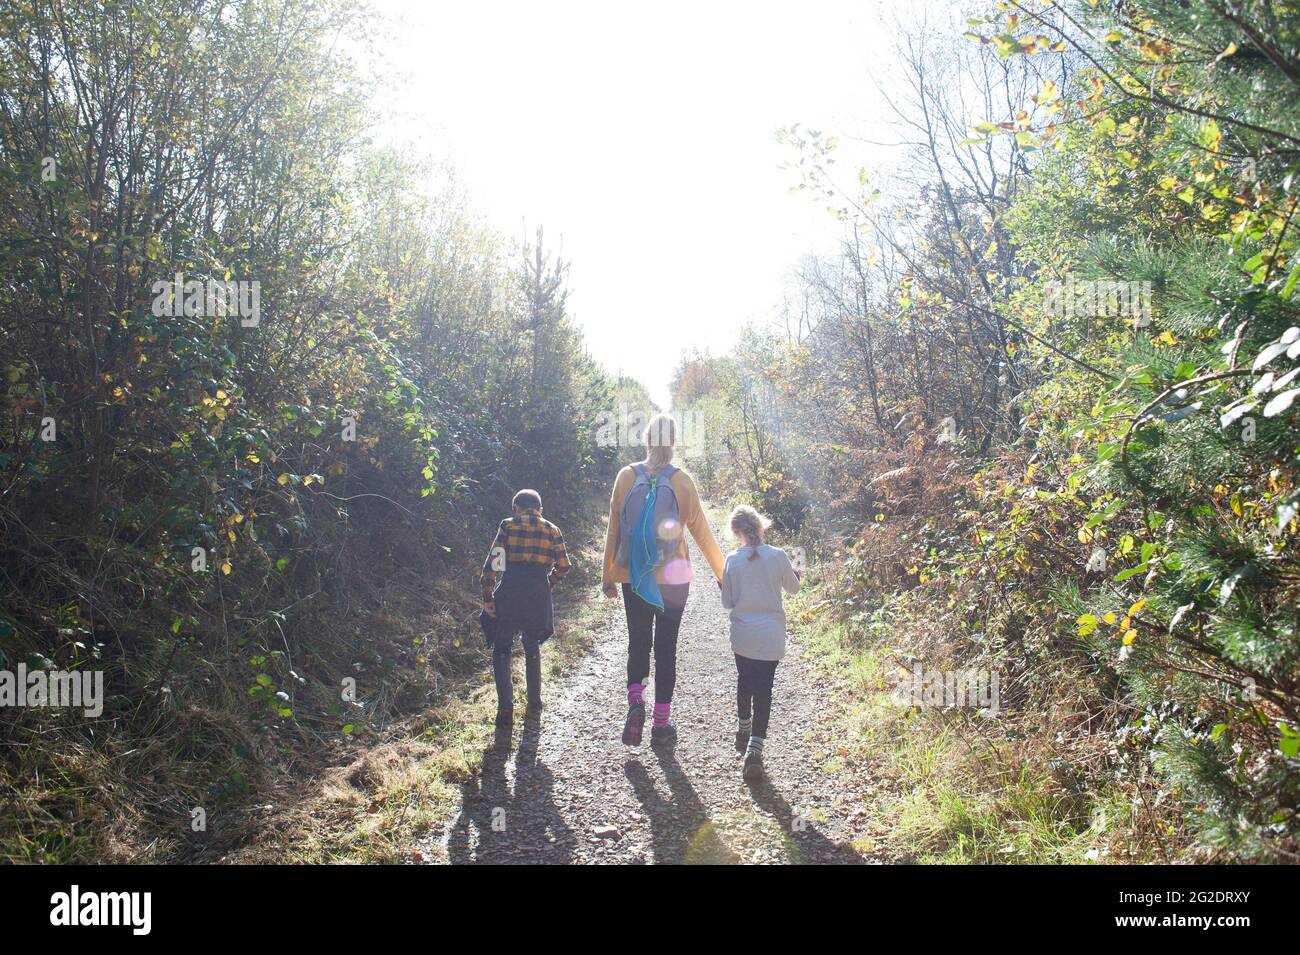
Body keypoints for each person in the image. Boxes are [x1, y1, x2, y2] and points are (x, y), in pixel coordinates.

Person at [601, 413, 724, 747]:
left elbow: (614, 527)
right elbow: (701, 530)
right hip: (674, 577)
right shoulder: (682, 480)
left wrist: (609, 574)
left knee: (638, 641)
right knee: (666, 648)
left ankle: (635, 702)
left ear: (646, 440)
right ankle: (661, 725)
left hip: (634, 575)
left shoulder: (626, 476)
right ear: (673, 442)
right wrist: (722, 574)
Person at [480, 489, 571, 734]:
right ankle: (534, 703)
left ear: (516, 508)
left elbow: (494, 563)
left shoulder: (508, 525)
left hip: (510, 589)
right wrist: (547, 584)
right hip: (537, 591)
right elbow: (564, 565)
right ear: (540, 509)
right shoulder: (552, 529)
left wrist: (488, 596)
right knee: (531, 644)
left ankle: (505, 707)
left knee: (502, 648)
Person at [720, 504, 800, 781]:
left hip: (743, 635)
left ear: (735, 532)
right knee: (764, 688)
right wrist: (794, 574)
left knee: (745, 680)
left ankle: (743, 728)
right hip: (770, 635)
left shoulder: (731, 559)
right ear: (761, 526)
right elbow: (794, 588)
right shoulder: (778, 556)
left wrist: (727, 585)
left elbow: (728, 602)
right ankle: (755, 749)